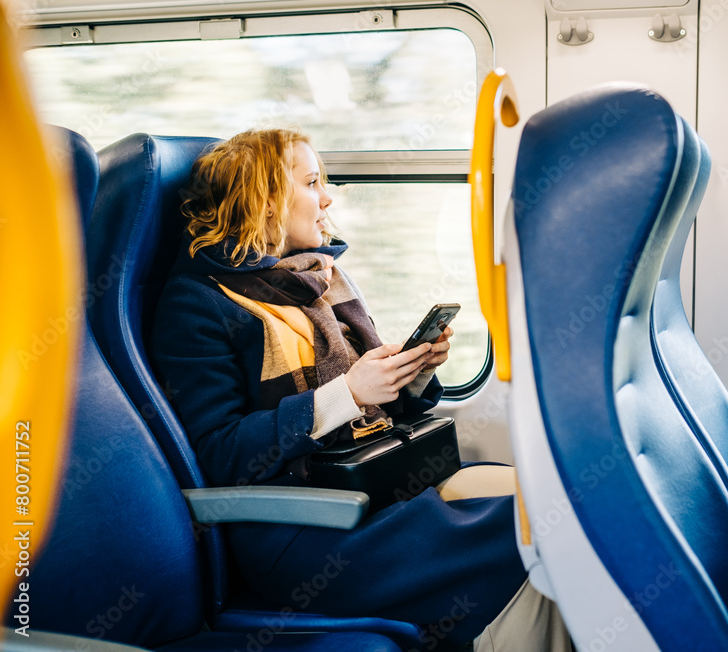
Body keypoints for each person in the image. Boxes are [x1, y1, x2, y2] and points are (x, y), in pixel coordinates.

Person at [151, 128, 570, 651]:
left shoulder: (322, 277)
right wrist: (347, 393)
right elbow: (218, 454)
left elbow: (375, 405)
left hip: (379, 488)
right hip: (303, 527)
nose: (327, 197)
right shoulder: (196, 304)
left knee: (565, 507)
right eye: (311, 182)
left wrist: (411, 372)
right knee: (542, 535)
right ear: (263, 202)